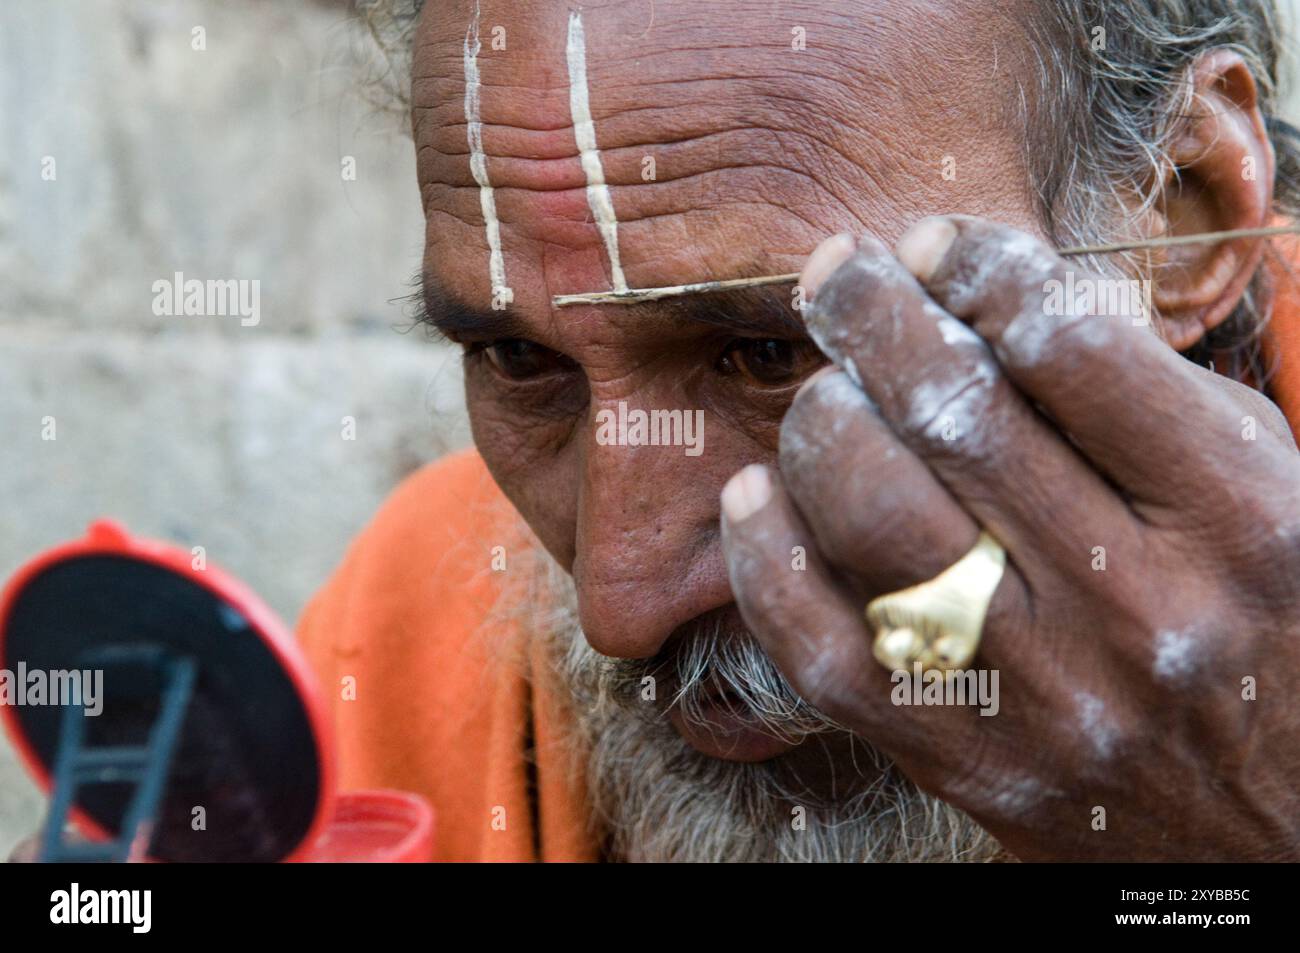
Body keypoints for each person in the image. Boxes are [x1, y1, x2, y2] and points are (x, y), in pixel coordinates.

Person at [298, 0, 1300, 860]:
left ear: (1183, 212)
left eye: (769, 356)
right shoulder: (410, 625)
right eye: (521, 363)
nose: (619, 602)